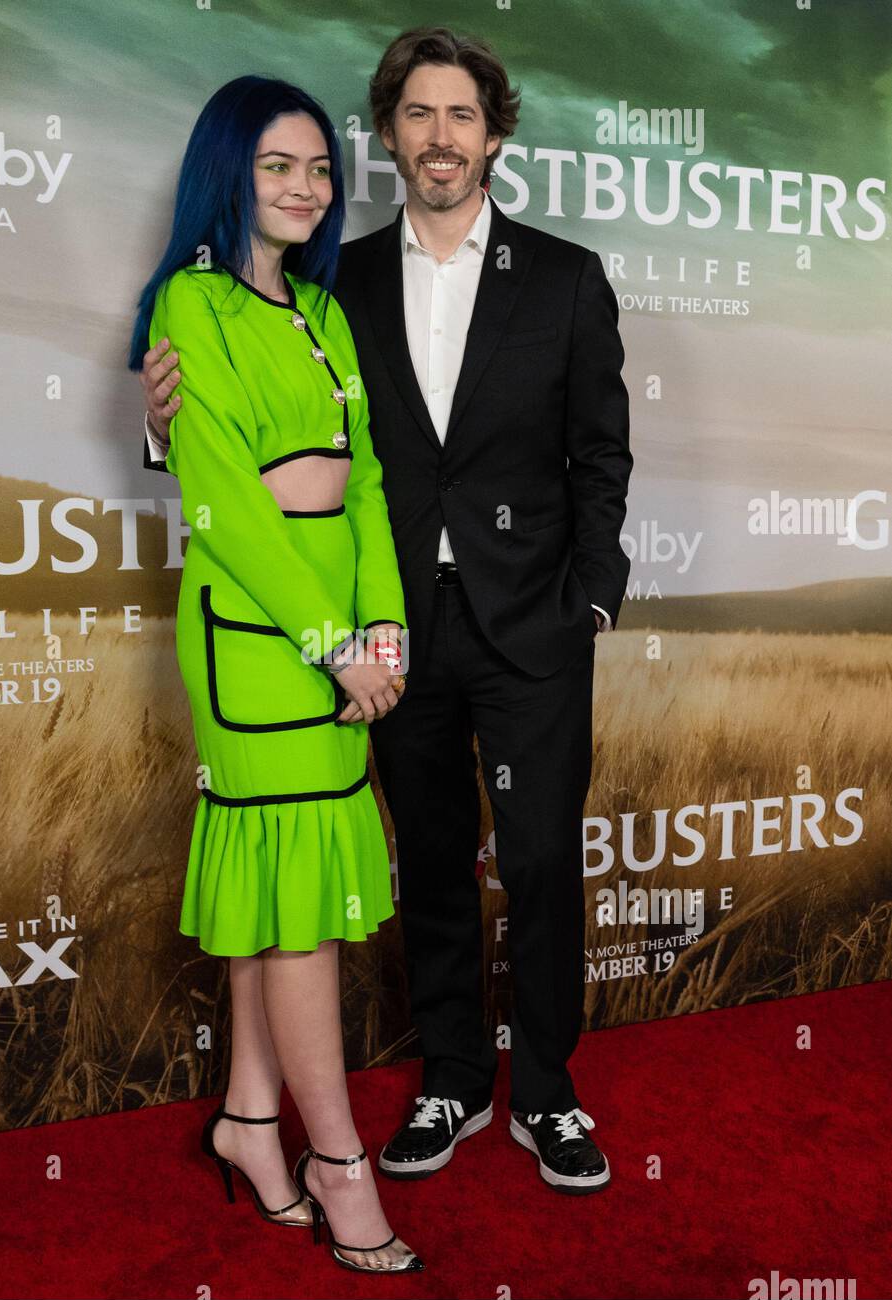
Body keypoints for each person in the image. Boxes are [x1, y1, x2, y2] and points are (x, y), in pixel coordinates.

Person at [142, 29, 632, 1199]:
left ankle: (550, 1091)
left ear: (494, 134)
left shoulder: (565, 276)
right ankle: (454, 1077)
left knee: (539, 858)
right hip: (390, 632)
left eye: (461, 115)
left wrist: (593, 603)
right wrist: (162, 433)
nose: (440, 137)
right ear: (389, 136)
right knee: (427, 864)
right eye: (416, 114)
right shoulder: (333, 279)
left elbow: (599, 457)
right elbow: (271, 440)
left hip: (530, 628)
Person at [128, 74, 423, 1273]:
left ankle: (251, 1122)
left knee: (277, 893)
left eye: (317, 170)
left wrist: (387, 628)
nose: (303, 190)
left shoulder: (324, 311)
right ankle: (337, 1162)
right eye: (275, 168)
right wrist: (333, 642)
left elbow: (365, 485)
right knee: (297, 912)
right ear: (226, 174)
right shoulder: (187, 305)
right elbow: (230, 514)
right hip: (255, 633)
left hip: (340, 628)